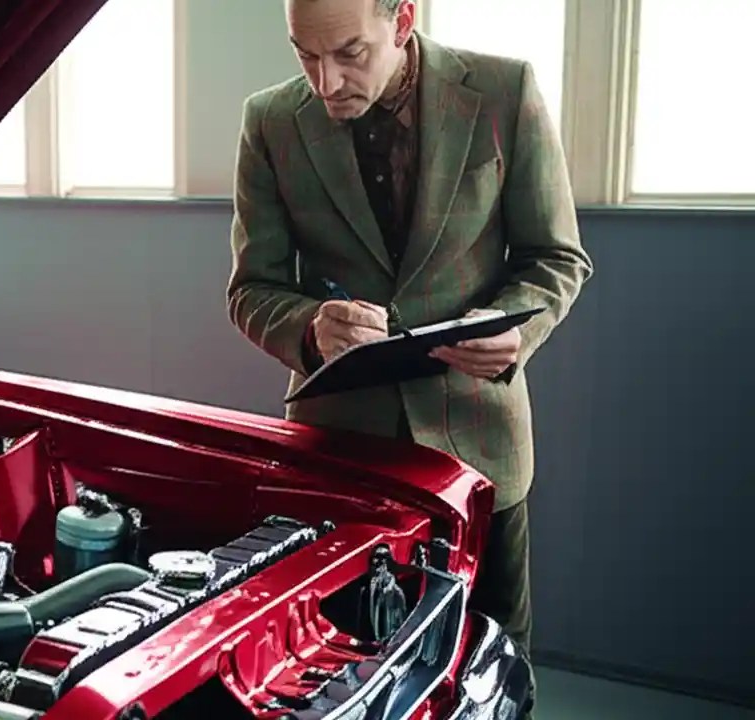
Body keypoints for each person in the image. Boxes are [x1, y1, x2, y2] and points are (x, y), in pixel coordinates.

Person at [225, 0, 593, 713]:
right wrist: (310, 328)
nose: (325, 82)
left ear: (402, 20)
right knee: (348, 683)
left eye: (349, 54)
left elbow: (557, 258)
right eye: (305, 55)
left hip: (482, 446)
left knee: (497, 672)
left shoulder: (505, 91)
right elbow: (250, 291)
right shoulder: (269, 121)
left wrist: (515, 331)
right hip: (342, 455)